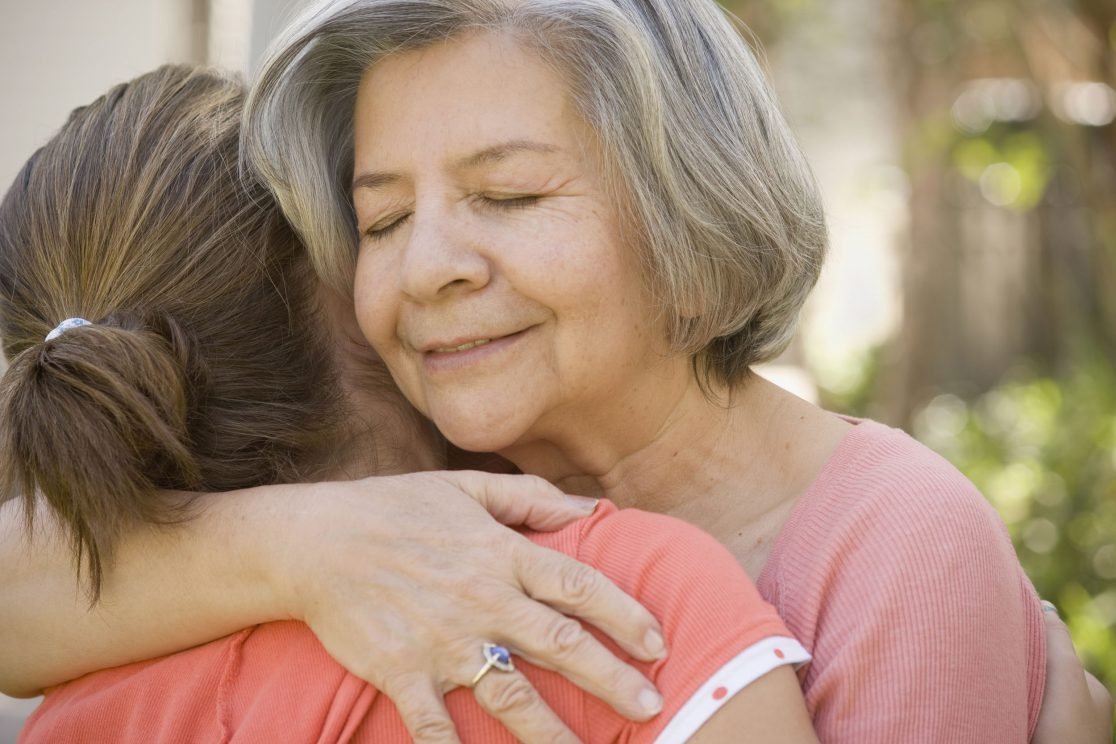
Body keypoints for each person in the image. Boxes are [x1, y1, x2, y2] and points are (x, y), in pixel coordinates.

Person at [0, 3, 1110, 743]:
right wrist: (305, 548)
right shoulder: (416, 477)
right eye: (382, 217)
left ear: (692, 223)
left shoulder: (896, 549)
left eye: (512, 197)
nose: (427, 267)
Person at [1, 64, 817, 743]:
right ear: (328, 302)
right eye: (380, 221)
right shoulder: (640, 602)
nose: (428, 269)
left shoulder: (75, 680)